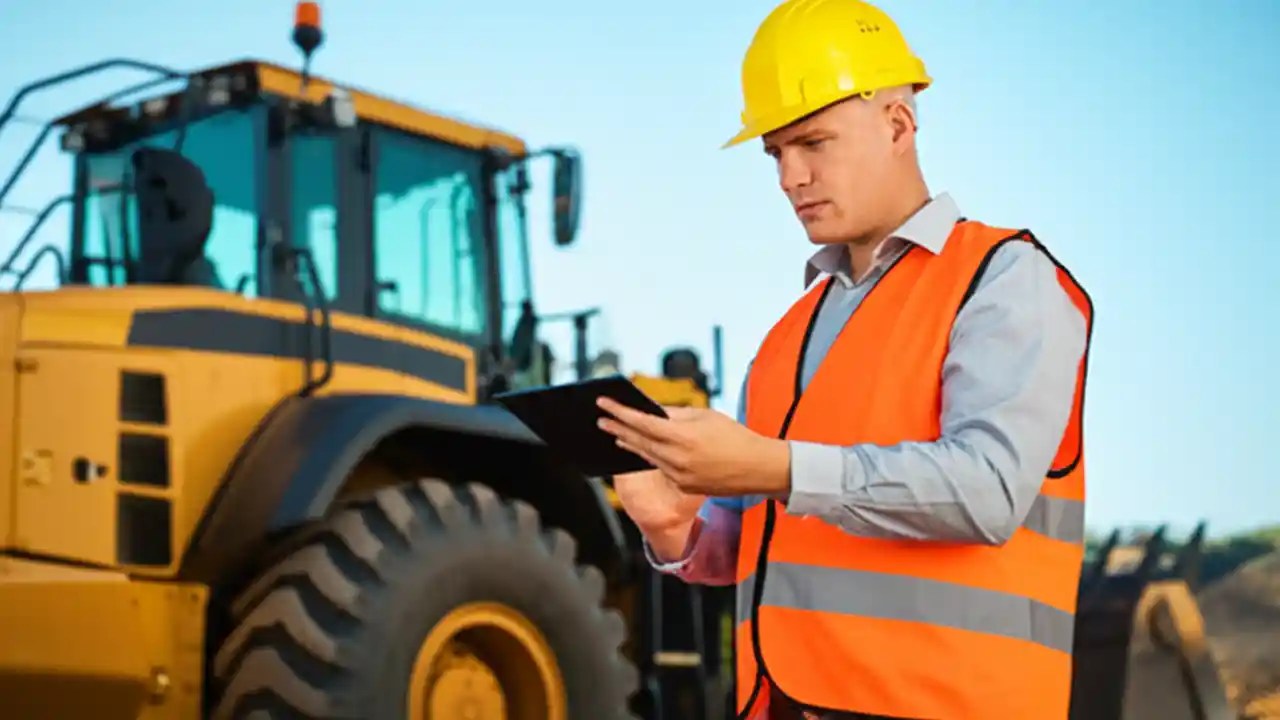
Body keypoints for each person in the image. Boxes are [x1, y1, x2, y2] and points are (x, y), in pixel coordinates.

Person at [596, 1, 1094, 718]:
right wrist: (672, 526)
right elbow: (761, 545)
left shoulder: (1004, 279)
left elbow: (988, 491)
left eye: (813, 143)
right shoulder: (785, 339)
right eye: (775, 153)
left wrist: (775, 466)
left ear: (898, 124)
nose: (789, 176)